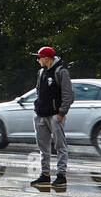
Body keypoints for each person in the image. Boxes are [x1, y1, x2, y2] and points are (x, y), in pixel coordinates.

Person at [30, 45, 74, 188]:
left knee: (60, 146)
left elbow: (68, 95)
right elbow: (38, 92)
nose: (38, 60)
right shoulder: (41, 72)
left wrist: (62, 112)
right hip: (41, 114)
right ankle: (45, 174)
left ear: (48, 58)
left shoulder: (61, 72)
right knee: (43, 147)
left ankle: (61, 175)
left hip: (55, 115)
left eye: (40, 57)